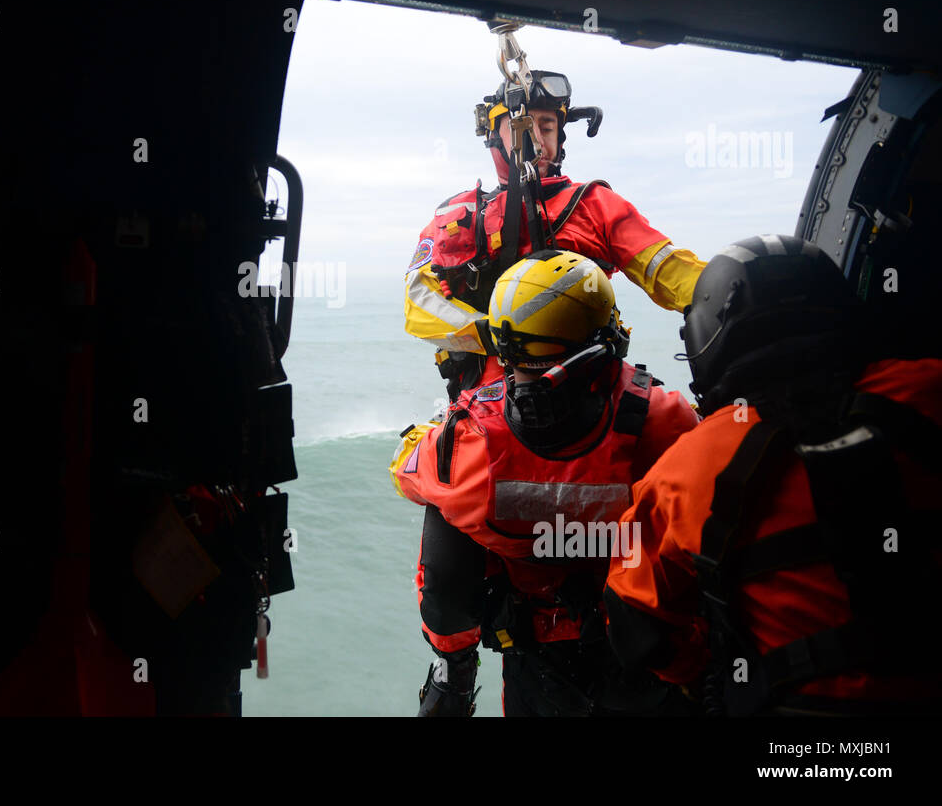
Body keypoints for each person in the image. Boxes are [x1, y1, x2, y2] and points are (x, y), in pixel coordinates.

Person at [603, 234, 942, 714]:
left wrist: (700, 674)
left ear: (709, 342)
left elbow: (635, 627)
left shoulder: (688, 467)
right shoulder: (928, 389)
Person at [390, 249, 701, 715]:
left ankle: (453, 672)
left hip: (539, 657)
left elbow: (406, 475)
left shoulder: (468, 446)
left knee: (445, 511)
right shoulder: (664, 419)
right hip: (648, 648)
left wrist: (430, 434)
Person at [405, 65, 707, 401]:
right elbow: (419, 303)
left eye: (547, 127)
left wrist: (730, 288)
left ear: (560, 137)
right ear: (494, 136)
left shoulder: (596, 205)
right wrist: (492, 334)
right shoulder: (457, 217)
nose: (536, 137)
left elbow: (669, 269)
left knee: (675, 420)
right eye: (522, 125)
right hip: (486, 402)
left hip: (592, 392)